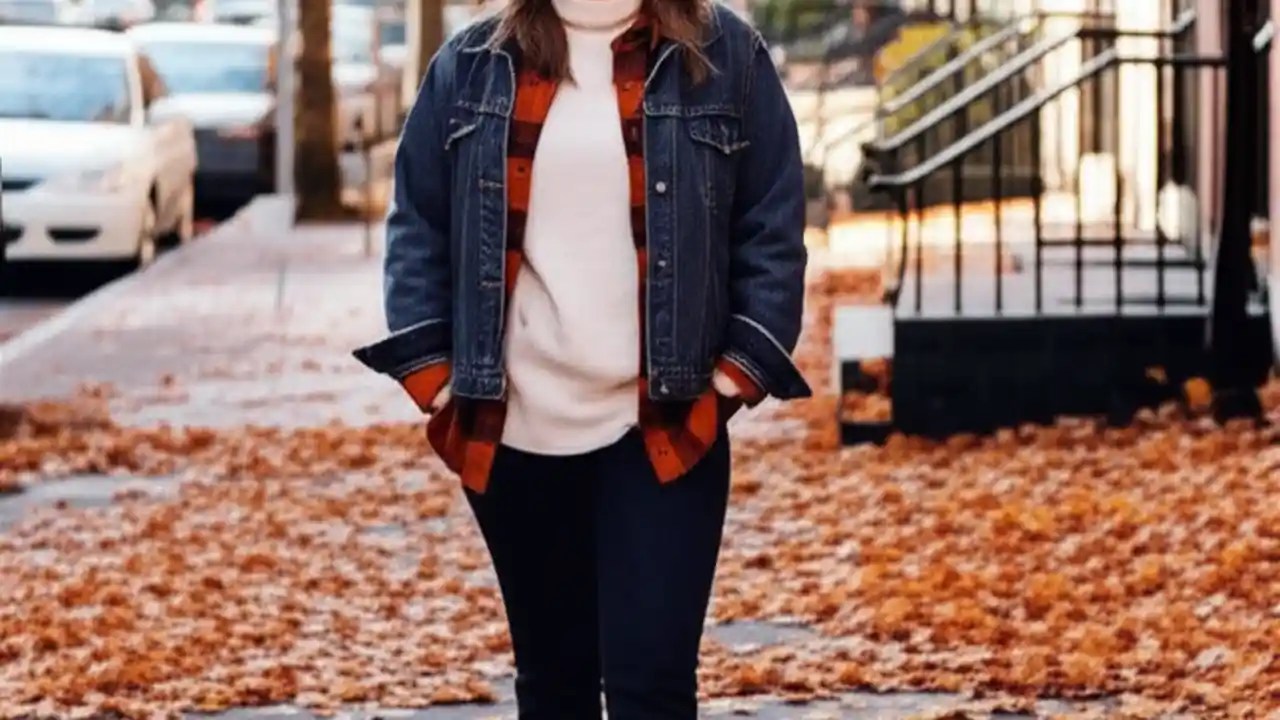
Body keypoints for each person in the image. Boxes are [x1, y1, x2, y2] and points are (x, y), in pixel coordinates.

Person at [354, 0, 811, 715]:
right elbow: (418, 222)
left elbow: (771, 221)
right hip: (514, 430)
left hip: (666, 426)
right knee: (554, 683)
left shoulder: (726, 56)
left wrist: (733, 376)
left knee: (651, 686)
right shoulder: (472, 64)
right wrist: (436, 376)